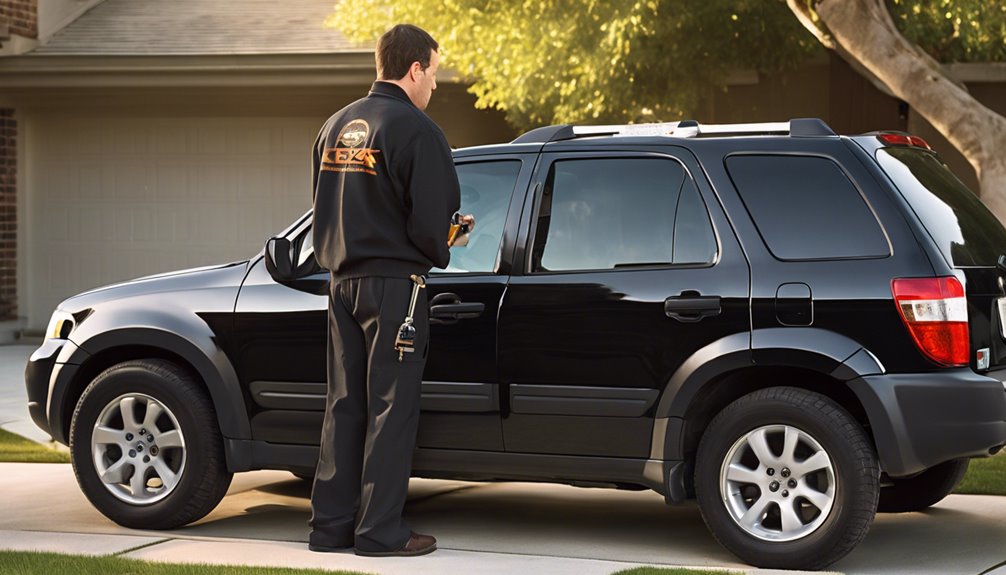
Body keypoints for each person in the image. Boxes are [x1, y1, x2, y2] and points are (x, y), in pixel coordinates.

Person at [308, 23, 471, 557]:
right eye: (434, 74)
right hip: (394, 290)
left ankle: (329, 528)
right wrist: (450, 237)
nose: (435, 88)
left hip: (340, 285)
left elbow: (327, 207)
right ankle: (380, 533)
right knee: (391, 408)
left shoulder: (334, 127)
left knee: (344, 405)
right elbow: (430, 226)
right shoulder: (418, 132)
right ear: (415, 68)